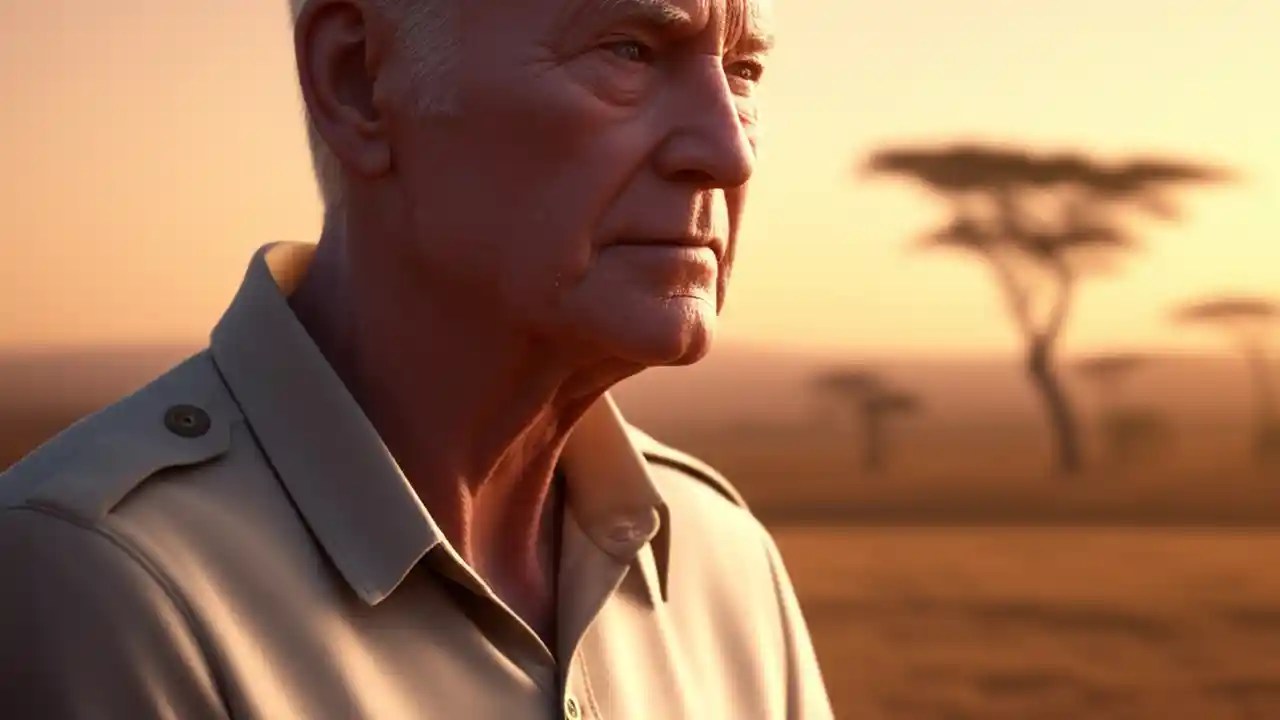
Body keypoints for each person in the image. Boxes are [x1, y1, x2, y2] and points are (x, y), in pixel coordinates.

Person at [0, 0, 833, 717]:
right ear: (357, 80)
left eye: (743, 70)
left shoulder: (723, 563)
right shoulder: (94, 583)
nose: (728, 152)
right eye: (630, 50)